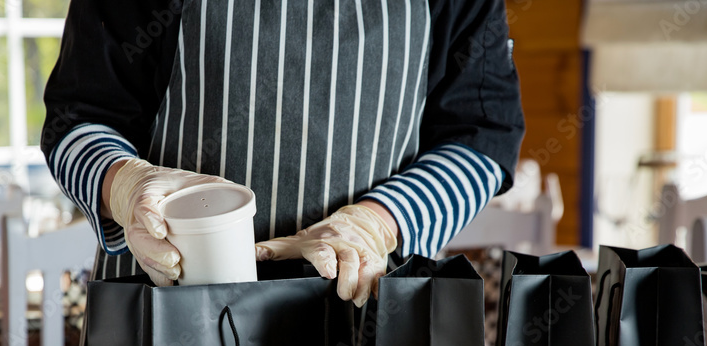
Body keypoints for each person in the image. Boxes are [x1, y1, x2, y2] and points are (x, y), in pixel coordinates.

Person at [42, 0, 524, 307]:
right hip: (162, 315)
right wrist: (126, 185)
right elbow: (77, 118)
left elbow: (482, 137)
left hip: (368, 310)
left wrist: (378, 223)